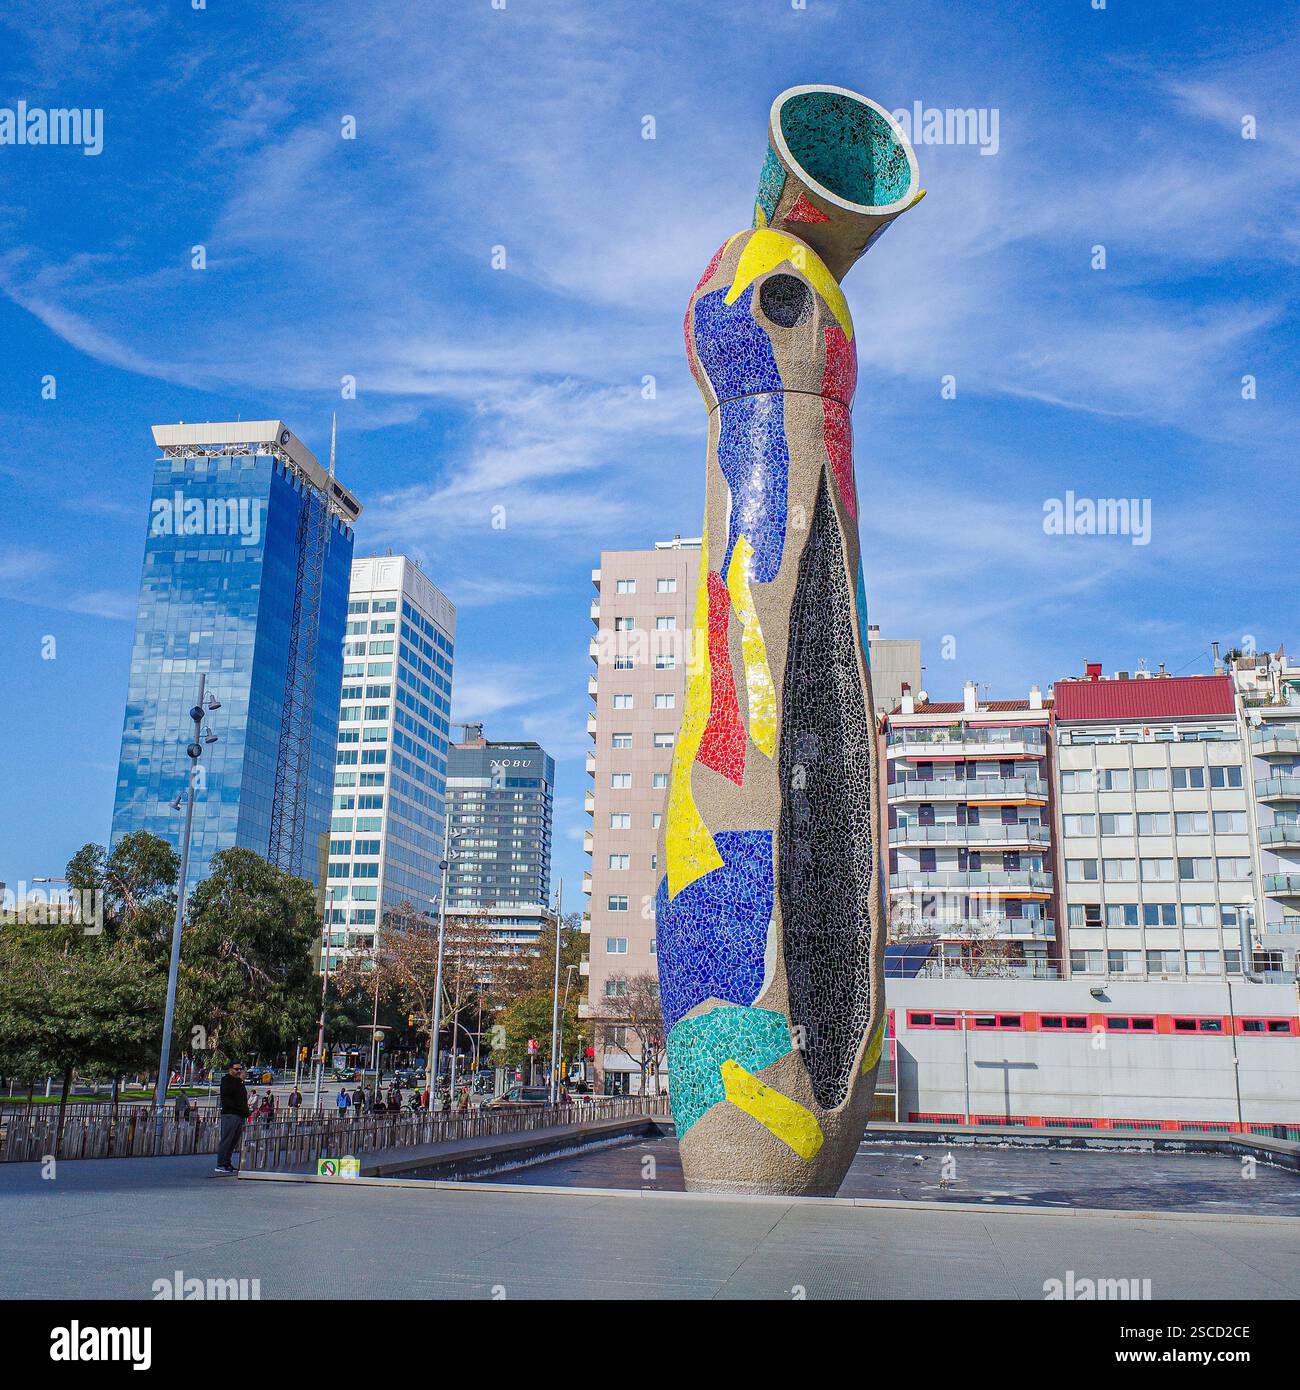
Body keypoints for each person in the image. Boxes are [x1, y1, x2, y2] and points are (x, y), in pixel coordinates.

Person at [215, 1062, 249, 1174]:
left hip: (239, 1114)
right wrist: (239, 1080)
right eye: (236, 1069)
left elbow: (241, 1097)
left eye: (240, 1069)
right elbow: (229, 1091)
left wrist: (245, 1112)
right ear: (230, 1069)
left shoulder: (238, 1082)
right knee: (227, 1139)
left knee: (233, 1141)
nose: (239, 1071)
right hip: (230, 1114)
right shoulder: (227, 1080)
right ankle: (221, 1164)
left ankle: (227, 1162)